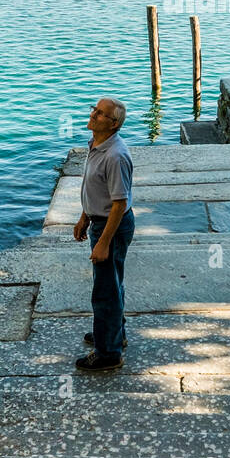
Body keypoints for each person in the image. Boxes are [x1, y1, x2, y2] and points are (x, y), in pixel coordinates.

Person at [73, 97, 134, 370]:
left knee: (105, 291)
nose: (94, 115)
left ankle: (108, 353)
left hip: (112, 226)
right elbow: (97, 190)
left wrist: (103, 243)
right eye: (94, 110)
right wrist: (84, 216)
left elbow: (119, 203)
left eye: (101, 114)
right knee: (112, 283)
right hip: (98, 220)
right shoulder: (97, 144)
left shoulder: (115, 155)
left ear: (114, 124)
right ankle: (113, 334)